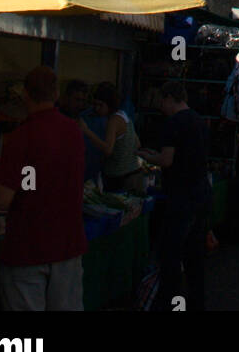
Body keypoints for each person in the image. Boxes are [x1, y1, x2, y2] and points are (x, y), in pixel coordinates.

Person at [0, 66, 87, 311]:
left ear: (25, 95)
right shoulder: (73, 132)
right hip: (68, 249)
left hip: (28, 250)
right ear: (57, 94)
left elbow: (2, 199)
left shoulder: (21, 137)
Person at [140, 80, 210, 312]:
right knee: (194, 256)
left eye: (162, 100)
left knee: (171, 253)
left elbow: (167, 160)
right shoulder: (199, 121)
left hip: (180, 196)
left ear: (170, 98)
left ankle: (169, 302)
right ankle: (196, 302)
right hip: (200, 192)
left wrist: (147, 157)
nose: (160, 105)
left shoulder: (173, 124)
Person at [80, 82, 142, 192]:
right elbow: (137, 143)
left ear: (110, 105)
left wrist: (86, 131)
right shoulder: (124, 115)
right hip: (133, 173)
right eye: (95, 104)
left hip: (119, 177)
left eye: (100, 105)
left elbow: (108, 149)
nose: (96, 108)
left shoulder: (113, 121)